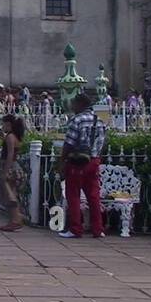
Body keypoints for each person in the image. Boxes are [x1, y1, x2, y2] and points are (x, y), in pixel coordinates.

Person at [58, 94, 107, 239]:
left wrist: (62, 161)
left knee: (73, 195)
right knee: (93, 196)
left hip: (77, 162)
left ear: (80, 104)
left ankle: (75, 228)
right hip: (94, 161)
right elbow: (103, 141)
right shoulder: (100, 120)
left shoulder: (77, 120)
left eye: (73, 104)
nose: (72, 107)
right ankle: (98, 229)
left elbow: (69, 143)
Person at [0, 115, 27, 232]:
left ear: (8, 124)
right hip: (14, 167)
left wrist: (5, 171)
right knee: (11, 193)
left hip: (11, 167)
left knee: (10, 195)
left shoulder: (10, 137)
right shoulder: (13, 137)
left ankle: (15, 219)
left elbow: (10, 154)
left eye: (3, 124)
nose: (2, 126)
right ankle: (14, 219)